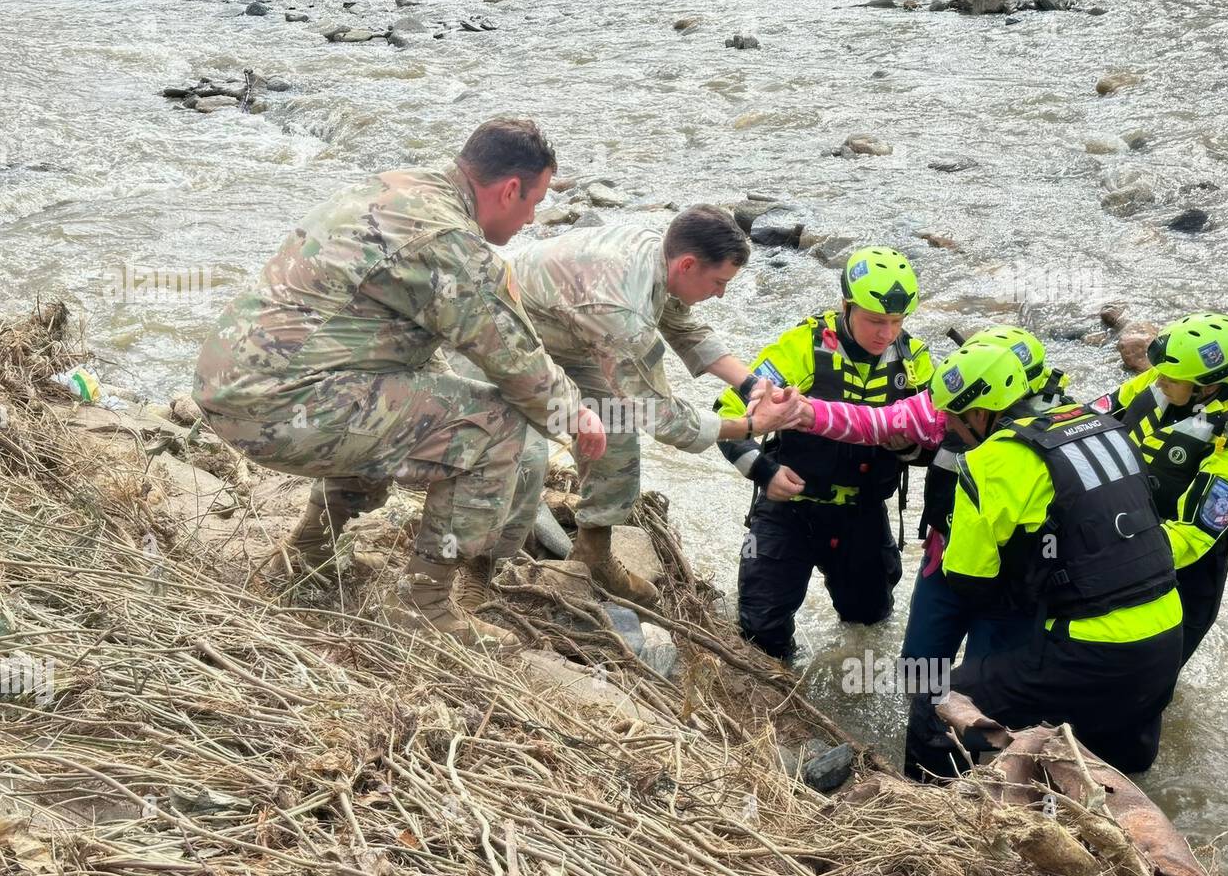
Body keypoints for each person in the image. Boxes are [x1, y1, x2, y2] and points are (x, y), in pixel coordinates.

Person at [193, 118, 606, 646]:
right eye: (533, 202)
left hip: (228, 383)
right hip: (277, 407)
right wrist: (579, 416)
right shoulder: (449, 241)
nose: (531, 219)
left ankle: (310, 550)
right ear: (508, 190)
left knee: (404, 395)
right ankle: (423, 606)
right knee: (497, 425)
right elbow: (516, 361)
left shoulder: (394, 188)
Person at [904, 341, 1183, 777]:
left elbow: (968, 579)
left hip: (1088, 647)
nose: (953, 431)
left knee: (937, 705)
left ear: (979, 415)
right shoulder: (1107, 427)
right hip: (1167, 637)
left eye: (955, 420)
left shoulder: (988, 462)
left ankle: (924, 813)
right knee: (1120, 773)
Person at [513, 206, 804, 605]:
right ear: (687, 264)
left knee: (614, 429)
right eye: (719, 282)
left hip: (568, 334)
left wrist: (751, 383)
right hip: (505, 336)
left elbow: (682, 326)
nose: (721, 293)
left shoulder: (659, 253)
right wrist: (749, 426)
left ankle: (591, 556)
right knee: (517, 460)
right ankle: (471, 571)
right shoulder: (624, 315)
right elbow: (662, 418)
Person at [796, 325, 1074, 667]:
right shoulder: (947, 406)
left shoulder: (1059, 437)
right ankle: (924, 718)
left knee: (986, 683)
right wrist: (804, 411)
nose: (949, 420)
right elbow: (874, 423)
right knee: (919, 665)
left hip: (1014, 582)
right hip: (946, 560)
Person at [715, 248, 934, 661]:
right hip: (789, 508)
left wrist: (907, 446)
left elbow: (940, 438)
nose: (886, 334)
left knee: (870, 625)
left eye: (896, 322)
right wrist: (764, 472)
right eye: (874, 320)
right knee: (761, 630)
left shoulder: (916, 360)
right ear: (846, 305)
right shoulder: (803, 347)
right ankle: (779, 710)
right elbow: (727, 415)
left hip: (864, 514)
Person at [1088, 312, 1228, 664]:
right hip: (1124, 530)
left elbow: (1194, 534)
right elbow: (1091, 418)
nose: (1157, 381)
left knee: (1157, 669)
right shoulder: (1166, 380)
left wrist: (1113, 553)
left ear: (1208, 387)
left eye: (1170, 379)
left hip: (1185, 570)